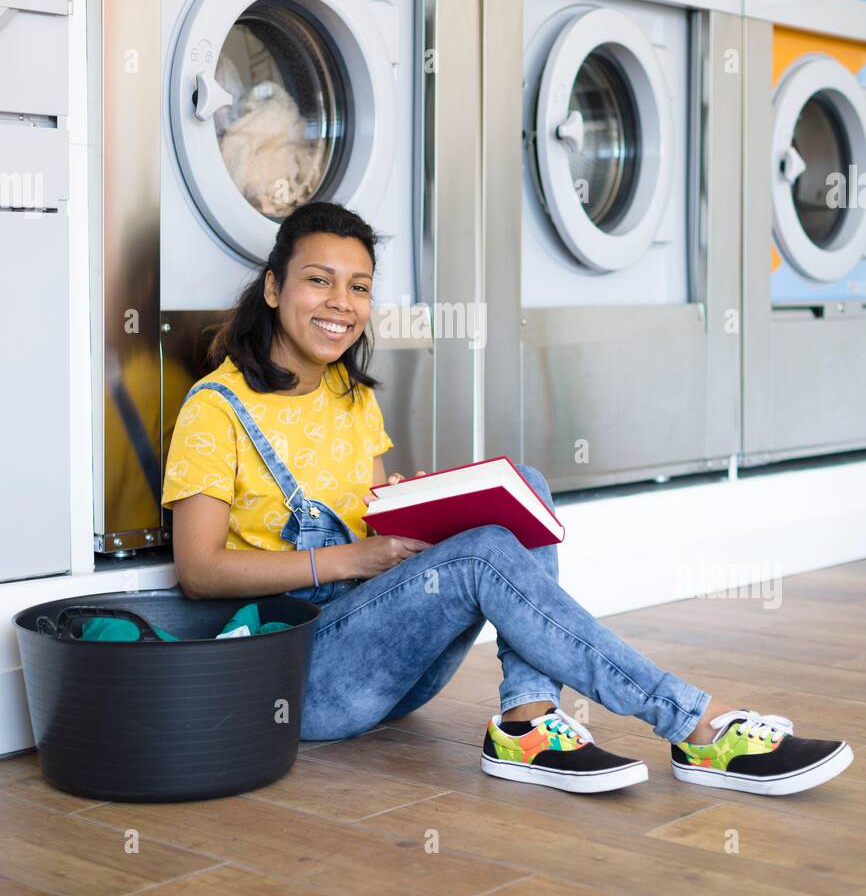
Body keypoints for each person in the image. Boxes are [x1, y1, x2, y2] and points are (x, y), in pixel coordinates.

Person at [162, 200, 854, 797]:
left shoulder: (348, 395)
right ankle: (695, 724)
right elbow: (199, 572)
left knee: (524, 488)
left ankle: (526, 718)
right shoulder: (215, 408)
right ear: (275, 289)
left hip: (387, 668)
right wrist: (352, 558)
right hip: (303, 682)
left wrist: (403, 509)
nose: (342, 303)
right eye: (320, 281)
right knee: (485, 553)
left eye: (360, 287)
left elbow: (371, 515)